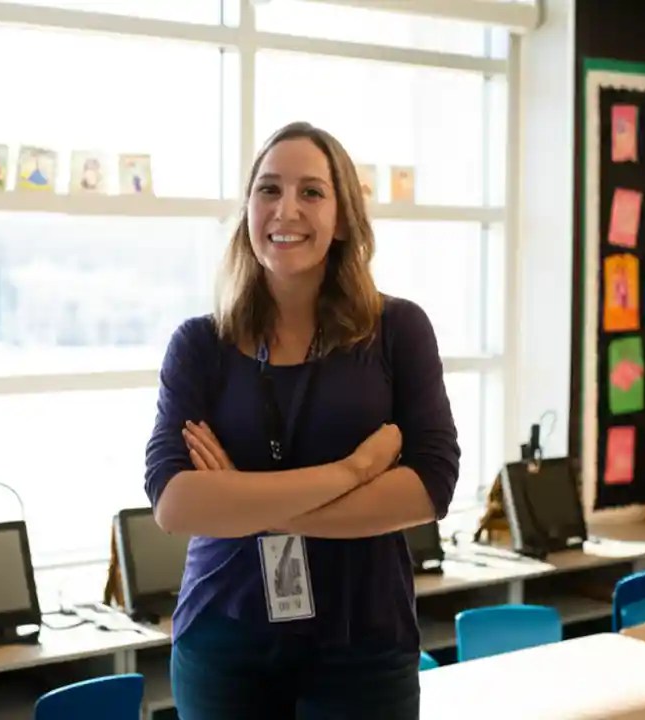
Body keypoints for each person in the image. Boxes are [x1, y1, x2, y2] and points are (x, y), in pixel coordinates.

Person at [143, 120, 460, 719]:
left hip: (363, 644)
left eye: (311, 191)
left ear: (342, 216)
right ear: (248, 209)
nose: (286, 209)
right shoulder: (199, 345)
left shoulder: (398, 331)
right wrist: (354, 470)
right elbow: (176, 505)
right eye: (269, 189)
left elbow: (430, 486)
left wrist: (239, 498)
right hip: (222, 642)